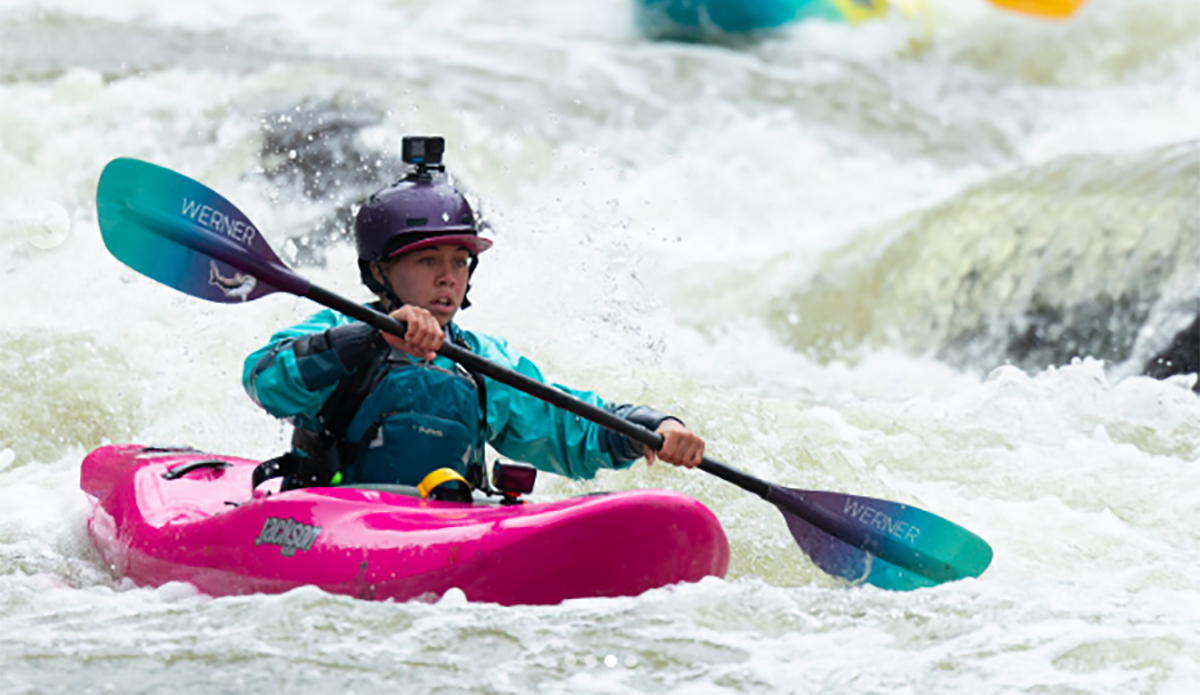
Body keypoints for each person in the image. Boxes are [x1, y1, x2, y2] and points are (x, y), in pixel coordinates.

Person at [242, 137, 704, 497]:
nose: (448, 277)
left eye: (459, 261)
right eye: (427, 262)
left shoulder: (478, 364)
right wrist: (375, 339)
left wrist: (651, 427)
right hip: (331, 516)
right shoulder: (336, 332)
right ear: (378, 271)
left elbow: (567, 428)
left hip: (442, 524)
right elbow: (264, 380)